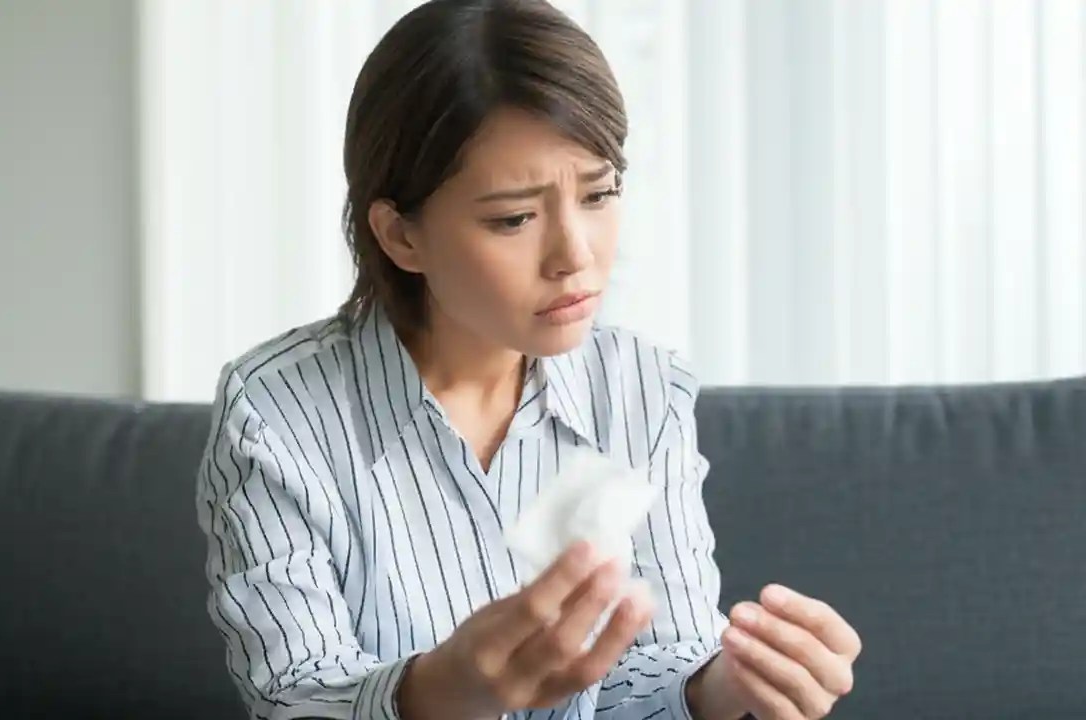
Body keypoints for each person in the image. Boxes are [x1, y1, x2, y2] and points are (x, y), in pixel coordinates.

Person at [195, 1, 861, 718]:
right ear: (400, 235)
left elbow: (658, 662)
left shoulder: (638, 391)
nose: (576, 255)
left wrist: (721, 689)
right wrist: (441, 691)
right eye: (514, 218)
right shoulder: (276, 414)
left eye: (600, 194)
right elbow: (293, 700)